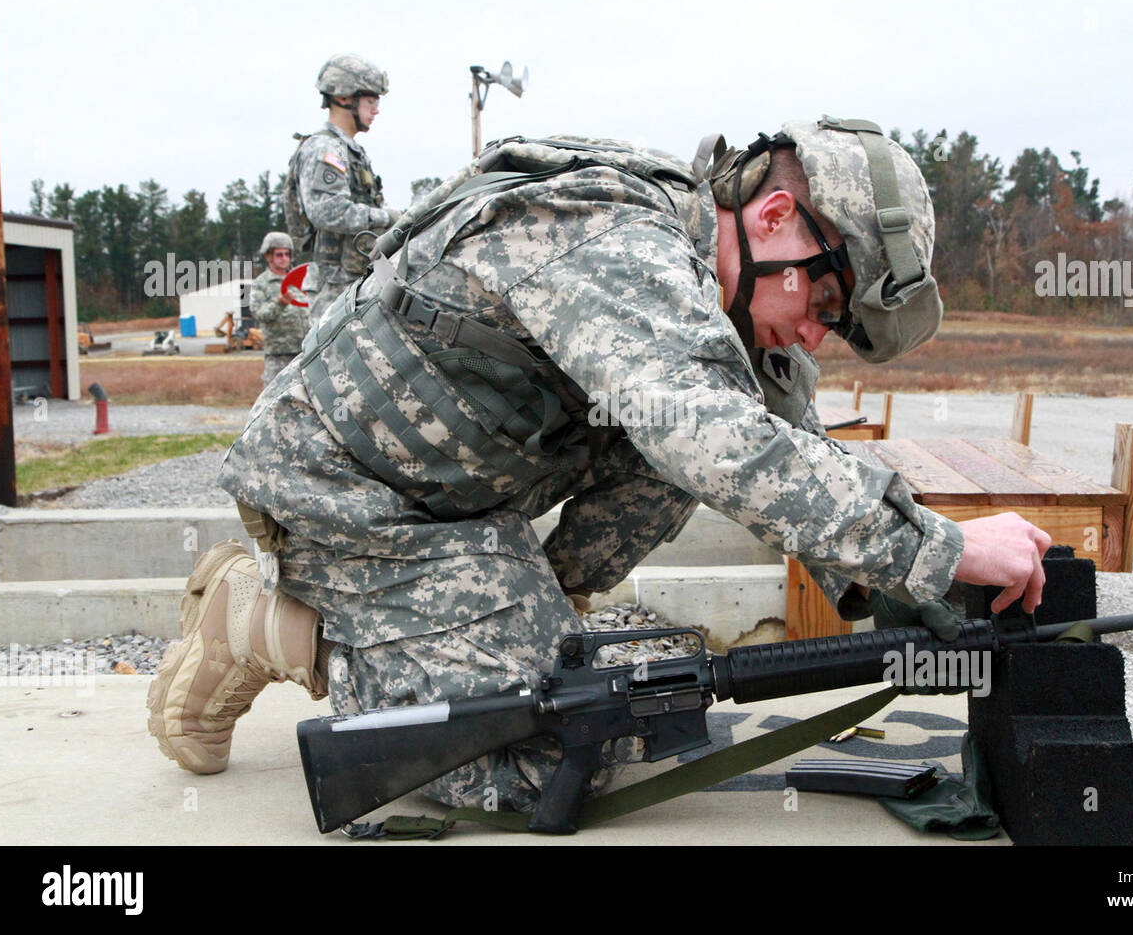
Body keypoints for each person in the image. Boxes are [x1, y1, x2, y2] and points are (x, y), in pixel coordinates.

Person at [149, 119, 1051, 810]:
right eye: (824, 299)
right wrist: (941, 547)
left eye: (838, 328)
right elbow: (716, 440)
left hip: (459, 502)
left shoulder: (719, 296)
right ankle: (259, 618)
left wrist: (940, 606)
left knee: (578, 696)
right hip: (350, 495)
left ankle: (516, 624)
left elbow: (794, 450)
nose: (817, 332)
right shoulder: (616, 237)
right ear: (776, 216)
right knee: (546, 761)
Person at [284, 53, 399, 327]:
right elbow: (327, 211)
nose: (376, 110)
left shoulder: (350, 150)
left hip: (355, 280)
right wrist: (388, 217)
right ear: (345, 98)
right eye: (371, 101)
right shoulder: (325, 148)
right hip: (334, 286)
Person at [249, 232, 309, 387]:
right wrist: (279, 304)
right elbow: (259, 313)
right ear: (268, 256)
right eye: (279, 255)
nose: (284, 259)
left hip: (305, 351)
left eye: (287, 254)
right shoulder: (261, 283)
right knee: (273, 400)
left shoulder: (301, 279)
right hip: (278, 354)